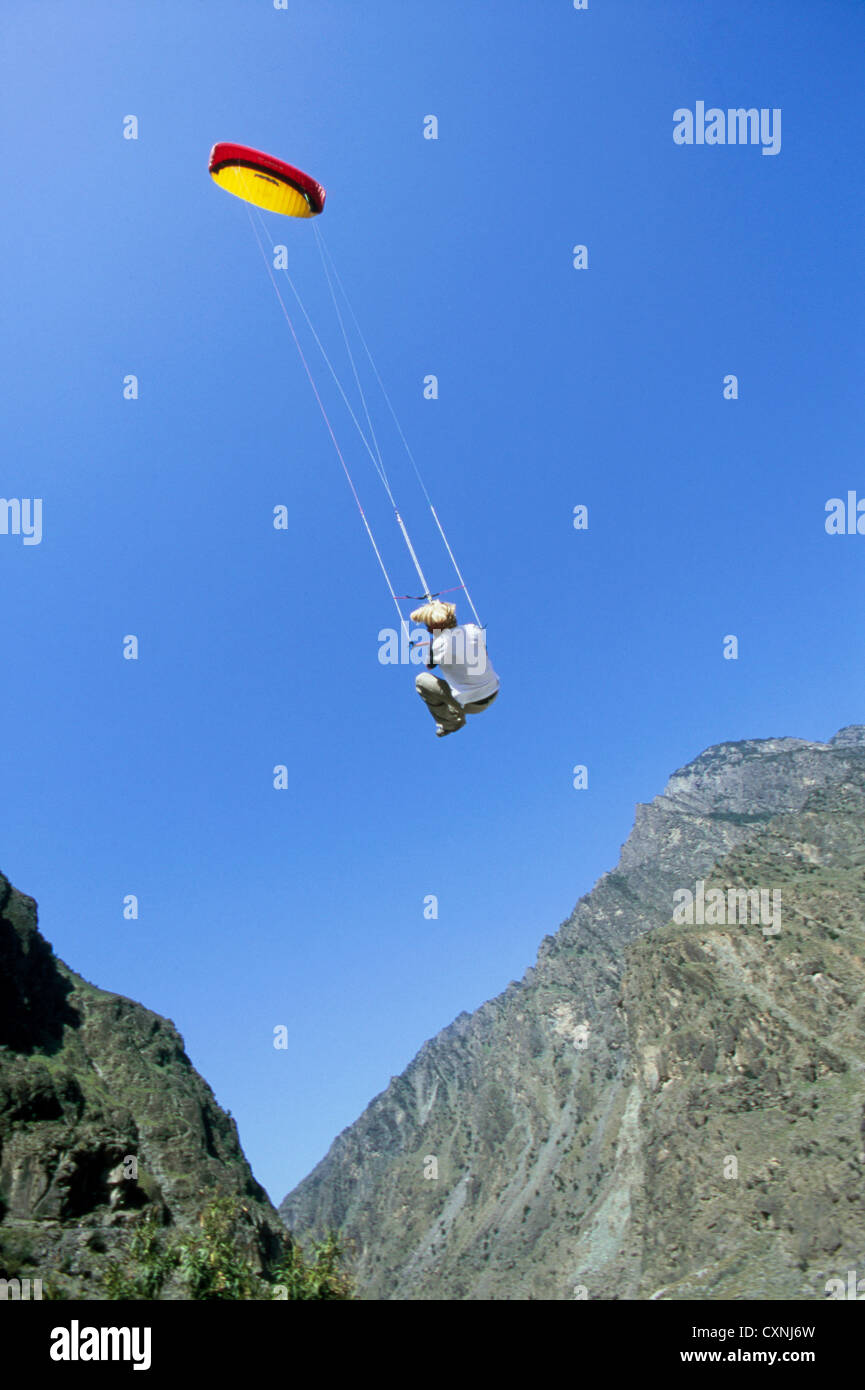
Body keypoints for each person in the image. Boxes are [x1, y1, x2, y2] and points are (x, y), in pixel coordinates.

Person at [410, 600, 499, 737]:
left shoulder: (438, 645)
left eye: (428, 625)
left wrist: (434, 640)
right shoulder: (473, 629)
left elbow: (429, 666)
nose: (427, 629)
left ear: (436, 625)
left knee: (421, 680)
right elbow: (484, 652)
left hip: (471, 704)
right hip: (493, 691)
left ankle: (451, 722)